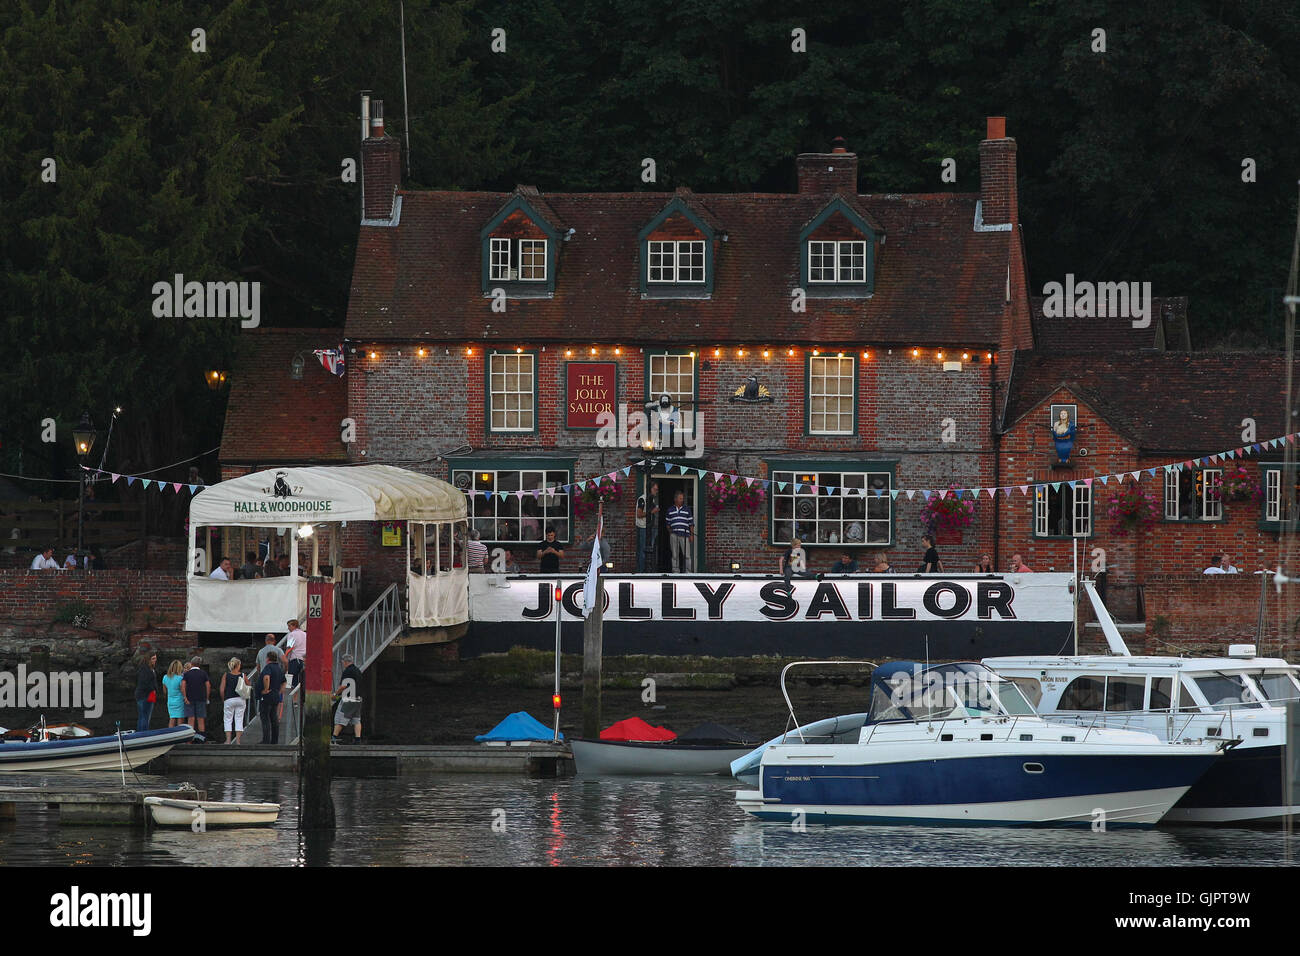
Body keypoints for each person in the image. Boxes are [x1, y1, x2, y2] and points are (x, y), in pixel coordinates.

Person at [332, 653, 364, 744]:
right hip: (358, 699)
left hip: (348, 699)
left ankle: (334, 738)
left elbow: (343, 686)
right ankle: (358, 739)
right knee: (356, 720)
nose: (342, 663)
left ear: (345, 662)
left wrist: (335, 694)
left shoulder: (347, 671)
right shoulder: (358, 671)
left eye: (342, 661)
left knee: (340, 718)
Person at [181, 657, 212, 742]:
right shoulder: (203, 673)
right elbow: (208, 685)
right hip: (201, 698)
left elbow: (183, 686)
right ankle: (201, 739)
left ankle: (189, 740)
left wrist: (185, 697)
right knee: (200, 719)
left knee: (191, 719)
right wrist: (207, 697)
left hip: (189, 698)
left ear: (192, 663)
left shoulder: (187, 674)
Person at [259, 651, 287, 744]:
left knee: (265, 718)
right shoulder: (279, 669)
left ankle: (266, 740)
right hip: (275, 696)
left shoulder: (268, 667)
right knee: (274, 718)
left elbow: (266, 677)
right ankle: (274, 740)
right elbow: (284, 682)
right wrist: (280, 691)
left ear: (268, 659)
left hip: (267, 696)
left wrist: (266, 689)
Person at [219, 658, 247, 744]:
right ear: (238, 665)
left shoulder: (226, 675)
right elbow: (248, 685)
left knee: (228, 719)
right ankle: (238, 741)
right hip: (240, 699)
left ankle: (228, 740)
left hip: (229, 699)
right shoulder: (242, 675)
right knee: (239, 719)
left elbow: (221, 689)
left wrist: (223, 699)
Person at [666, 490, 694, 573]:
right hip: (674, 534)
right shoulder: (670, 510)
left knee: (687, 555)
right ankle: (675, 571)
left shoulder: (687, 509)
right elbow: (668, 523)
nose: (682, 500)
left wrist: (691, 535)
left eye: (682, 498)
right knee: (675, 555)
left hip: (685, 534)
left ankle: (688, 572)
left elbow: (691, 523)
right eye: (680, 498)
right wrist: (671, 532)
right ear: (675, 499)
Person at [134, 652, 158, 732]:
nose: (155, 660)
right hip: (146, 695)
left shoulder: (149, 668)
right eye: (153, 658)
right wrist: (153, 689)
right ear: (148, 659)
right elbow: (145, 683)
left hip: (148, 694)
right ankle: (143, 733)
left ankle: (141, 733)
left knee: (143, 716)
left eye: (155, 658)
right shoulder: (145, 669)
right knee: (145, 716)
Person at [284, 619, 307, 693]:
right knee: (302, 682)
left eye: (289, 626)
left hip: (294, 660)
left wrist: (285, 657)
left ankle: (293, 701)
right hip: (303, 660)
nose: (288, 628)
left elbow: (290, 648)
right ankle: (300, 701)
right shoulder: (305, 634)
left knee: (291, 683)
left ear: (294, 626)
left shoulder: (291, 634)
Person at [162, 659, 186, 728]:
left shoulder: (165, 677)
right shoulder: (180, 678)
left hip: (170, 701)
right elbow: (182, 690)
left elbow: (165, 691)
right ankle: (180, 736)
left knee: (172, 719)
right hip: (179, 701)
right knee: (180, 719)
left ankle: (171, 735)